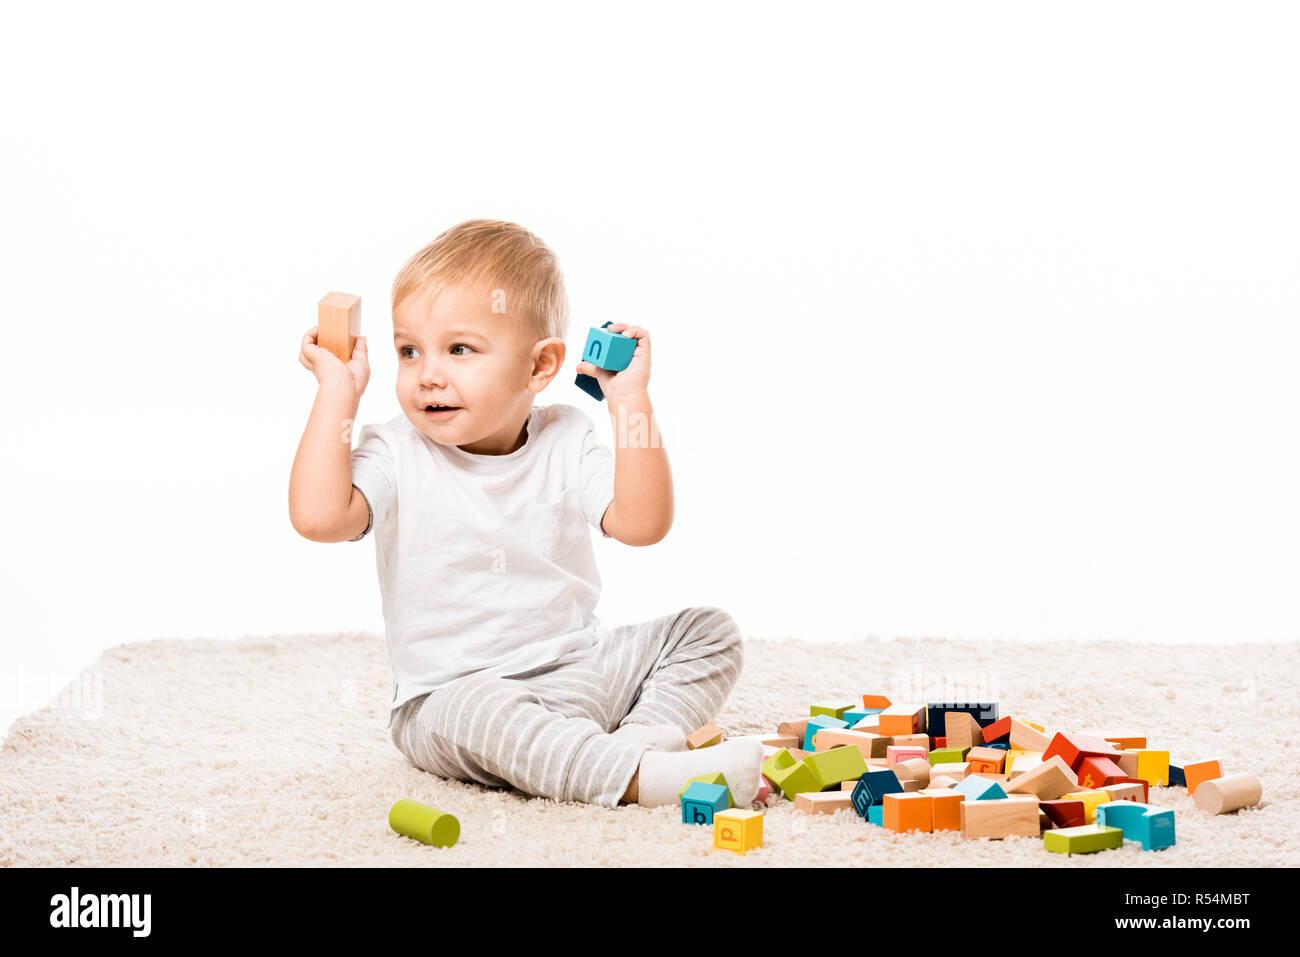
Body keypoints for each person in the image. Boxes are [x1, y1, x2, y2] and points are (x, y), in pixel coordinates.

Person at [289, 219, 762, 807]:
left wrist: (629, 401)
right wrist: (337, 392)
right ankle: (642, 779)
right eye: (409, 351)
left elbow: (642, 527)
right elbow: (318, 518)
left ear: (540, 367)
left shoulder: (565, 436)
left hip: (579, 672)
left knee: (707, 631)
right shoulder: (395, 450)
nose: (427, 372)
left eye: (459, 349)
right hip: (452, 699)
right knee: (479, 711)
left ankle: (645, 739)